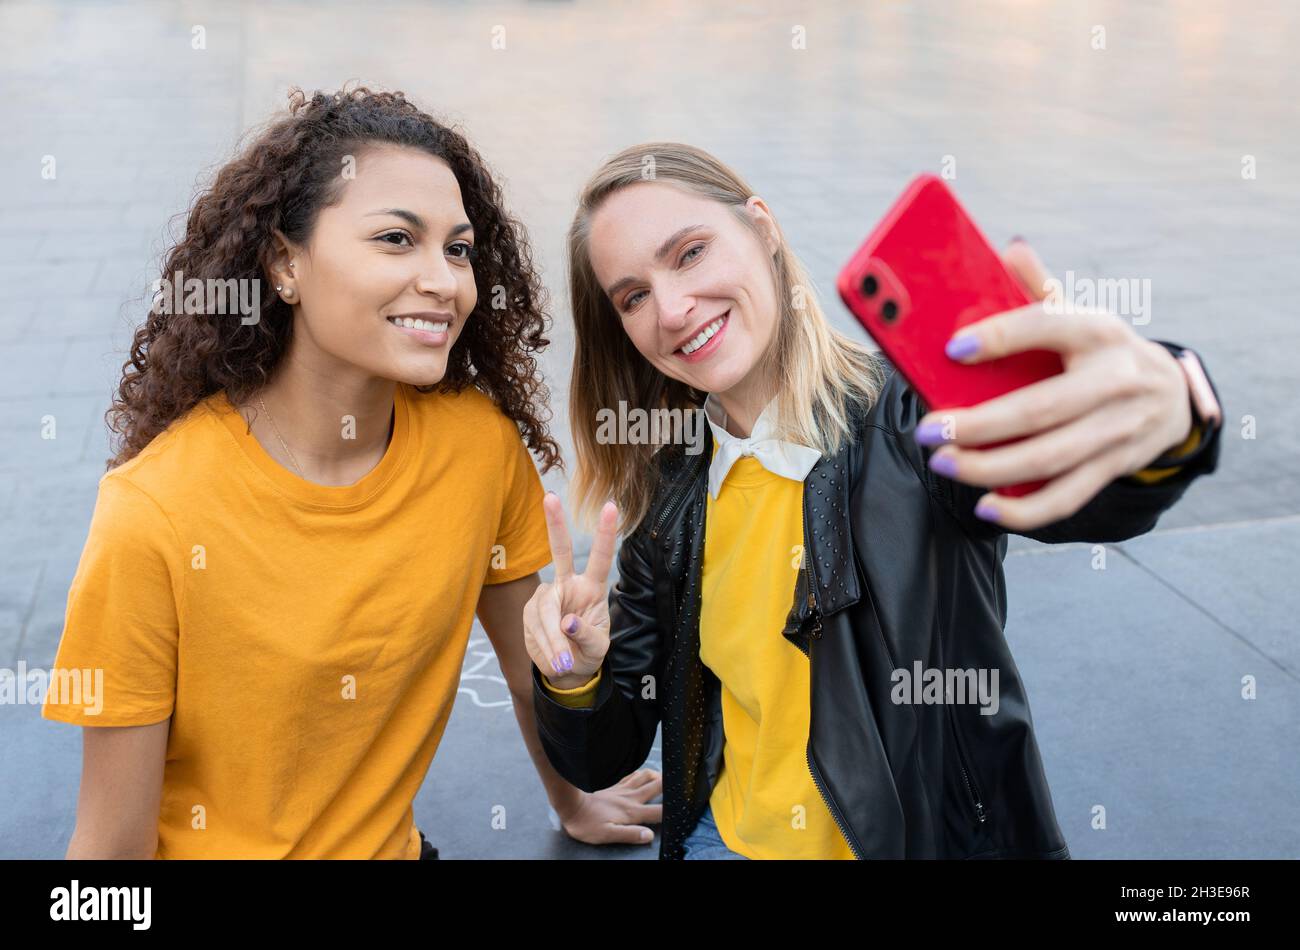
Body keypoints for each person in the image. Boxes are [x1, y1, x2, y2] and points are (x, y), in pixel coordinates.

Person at [522, 142, 1223, 859]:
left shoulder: (917, 425)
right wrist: (573, 677)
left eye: (691, 253)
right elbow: (601, 756)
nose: (671, 310)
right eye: (633, 296)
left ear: (762, 229)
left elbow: (1094, 498)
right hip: (722, 842)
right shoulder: (666, 494)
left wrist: (1175, 410)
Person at [40, 87, 661, 858]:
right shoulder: (152, 513)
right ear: (282, 262)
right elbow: (107, 854)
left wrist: (576, 790)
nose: (444, 280)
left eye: (457, 248)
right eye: (397, 239)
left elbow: (531, 666)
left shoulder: (478, 451)